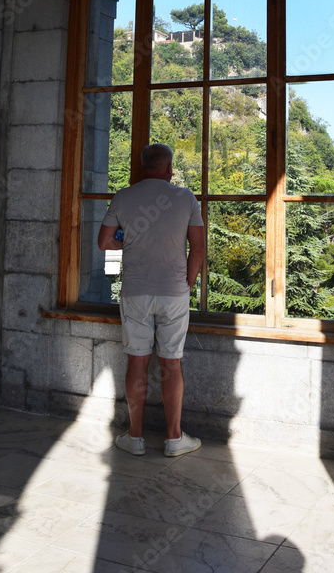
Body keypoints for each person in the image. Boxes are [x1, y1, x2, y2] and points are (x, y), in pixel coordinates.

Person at [97, 142, 205, 457]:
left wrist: (126, 238)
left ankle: (135, 437)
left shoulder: (124, 196)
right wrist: (188, 282)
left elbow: (104, 241)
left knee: (137, 362)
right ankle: (173, 439)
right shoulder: (185, 198)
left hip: (135, 291)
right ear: (169, 168)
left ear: (143, 167)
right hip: (174, 292)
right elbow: (197, 247)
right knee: (171, 363)